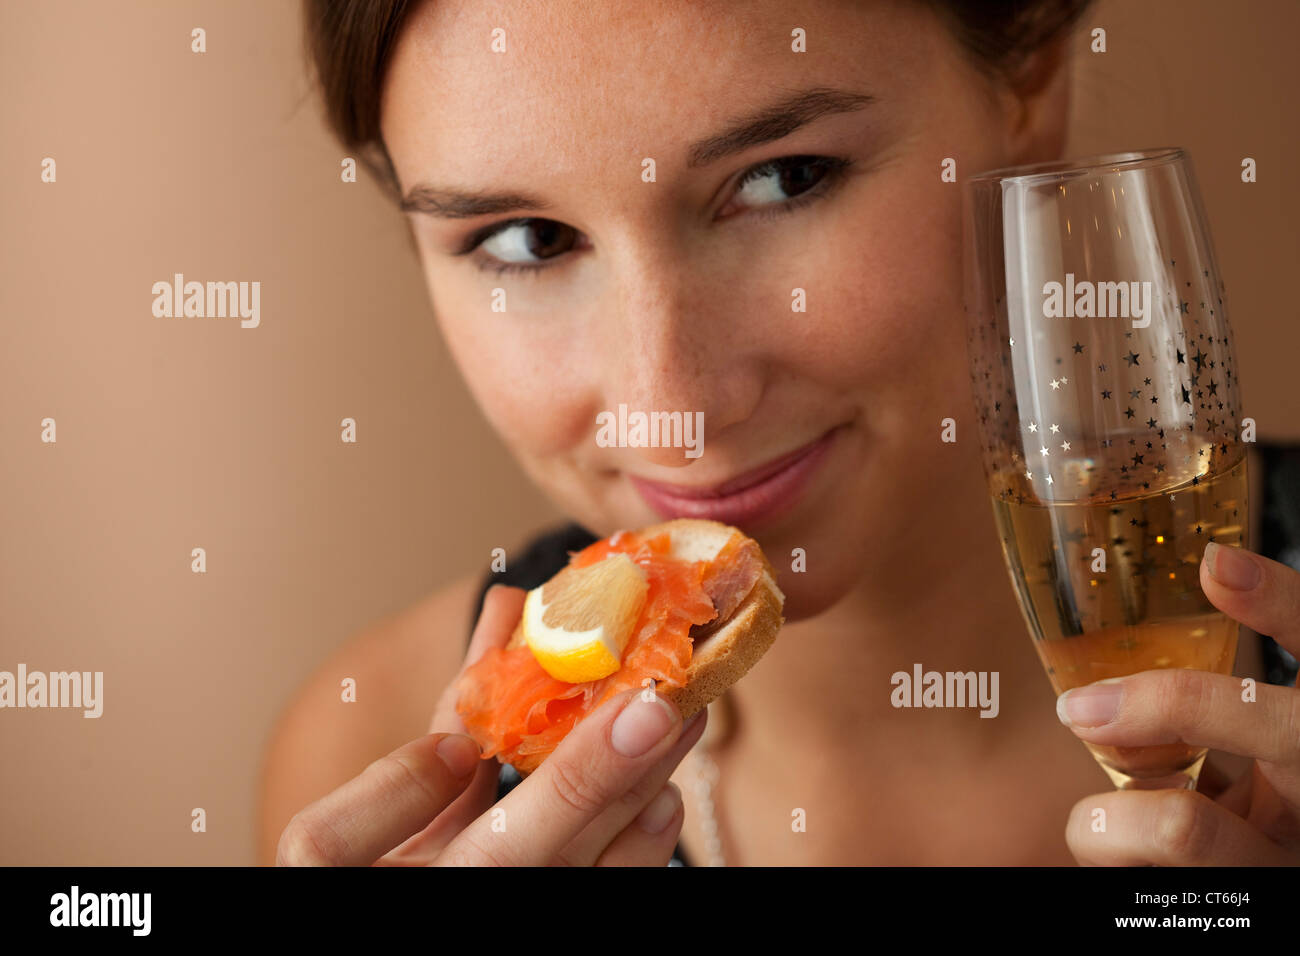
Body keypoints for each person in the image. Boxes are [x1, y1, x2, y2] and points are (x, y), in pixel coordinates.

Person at [257, 0, 1300, 866]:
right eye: (528, 241)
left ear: (1027, 86)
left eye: (782, 178)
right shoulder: (379, 759)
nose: (672, 398)